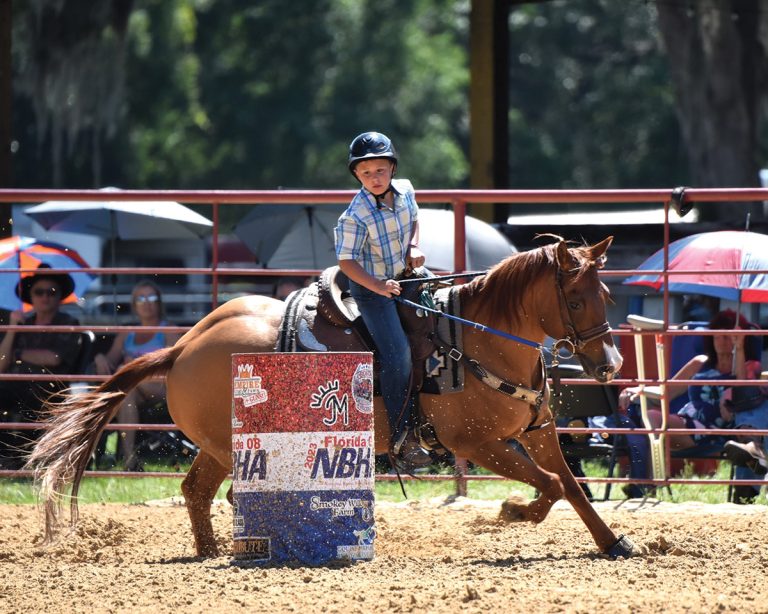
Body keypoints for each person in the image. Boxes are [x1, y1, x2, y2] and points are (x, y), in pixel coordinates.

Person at [334, 131, 431, 470]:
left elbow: (415, 220)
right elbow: (346, 262)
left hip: (406, 276)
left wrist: (413, 246)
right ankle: (402, 435)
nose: (374, 178)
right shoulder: (354, 215)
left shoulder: (406, 190)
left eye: (380, 170)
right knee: (398, 354)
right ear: (356, 175)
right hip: (371, 289)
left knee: (448, 312)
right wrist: (377, 285)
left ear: (392, 169)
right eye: (366, 173)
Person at [619, 310, 766, 500]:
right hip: (690, 420)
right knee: (652, 416)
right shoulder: (699, 362)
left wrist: (739, 349)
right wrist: (638, 389)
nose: (721, 341)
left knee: (656, 420)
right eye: (717, 335)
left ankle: (646, 484)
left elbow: (743, 390)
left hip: (725, 429)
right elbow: (667, 391)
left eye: (727, 336)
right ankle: (648, 483)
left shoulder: (748, 365)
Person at [0, 263, 82, 468]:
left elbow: (54, 358)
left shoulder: (68, 323)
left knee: (31, 398)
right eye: (39, 292)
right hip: (15, 386)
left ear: (59, 297)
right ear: (31, 296)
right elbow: (2, 363)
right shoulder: (22, 324)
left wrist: (18, 354)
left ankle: (20, 458)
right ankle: (6, 454)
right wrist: (12, 329)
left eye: (51, 292)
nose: (45, 297)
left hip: (50, 388)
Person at [93, 281, 181, 466]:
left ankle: (96, 451)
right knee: (126, 394)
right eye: (141, 298)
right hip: (133, 388)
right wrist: (99, 357)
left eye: (152, 297)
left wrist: (134, 367)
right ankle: (128, 458)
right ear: (134, 305)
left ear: (159, 302)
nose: (147, 302)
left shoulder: (169, 330)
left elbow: (173, 366)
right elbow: (109, 361)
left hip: (161, 386)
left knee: (123, 384)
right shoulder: (127, 334)